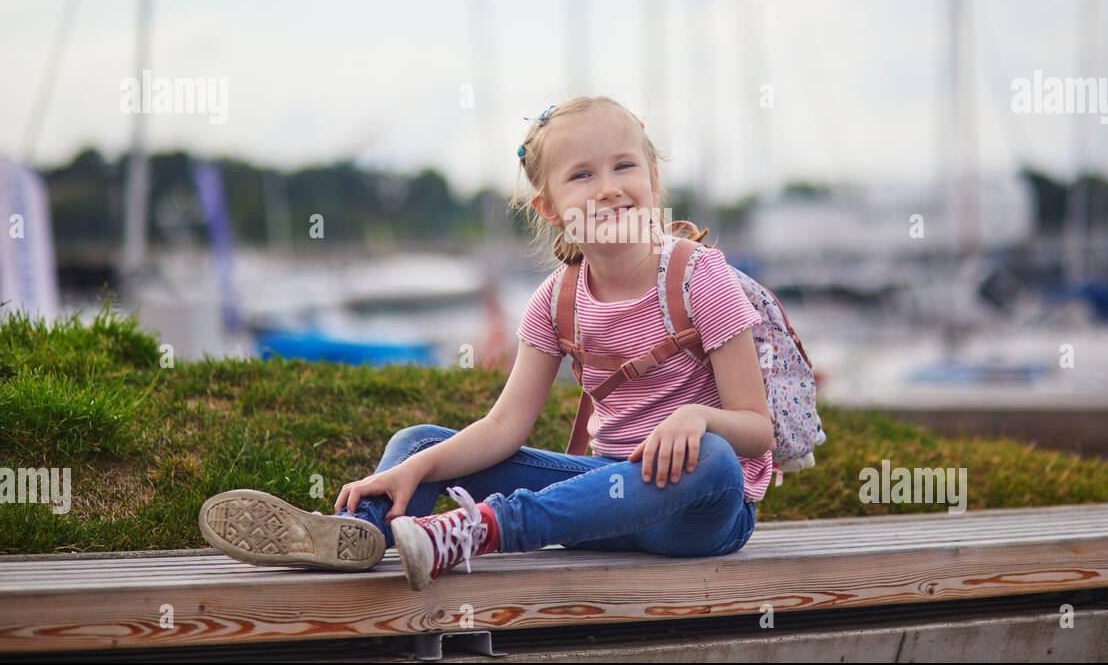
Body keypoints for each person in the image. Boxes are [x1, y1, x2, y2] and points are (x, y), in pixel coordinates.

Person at [198, 96, 775, 589]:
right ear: (548, 208)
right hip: (603, 505)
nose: (608, 189)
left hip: (699, 517)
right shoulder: (556, 301)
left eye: (623, 166)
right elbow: (503, 430)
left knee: (714, 459)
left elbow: (756, 428)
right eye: (581, 175)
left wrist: (697, 418)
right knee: (417, 442)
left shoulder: (700, 278)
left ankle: (482, 529)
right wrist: (415, 470)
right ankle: (362, 531)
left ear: (652, 179)